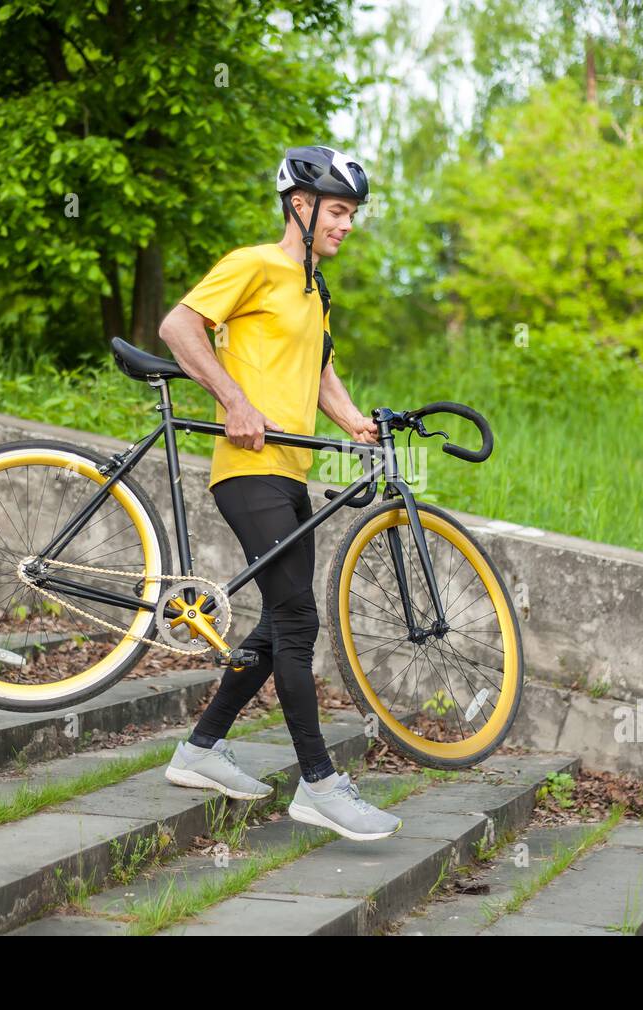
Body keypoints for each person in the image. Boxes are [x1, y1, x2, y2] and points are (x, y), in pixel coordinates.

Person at [156, 145, 402, 841]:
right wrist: (233, 398)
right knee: (297, 620)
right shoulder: (256, 263)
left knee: (276, 622)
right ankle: (319, 783)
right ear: (300, 204)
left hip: (291, 473)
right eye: (339, 211)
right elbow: (179, 326)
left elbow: (318, 372)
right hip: (248, 468)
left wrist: (355, 422)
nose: (347, 224)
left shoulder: (315, 289)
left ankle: (199, 749)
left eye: (353, 213)